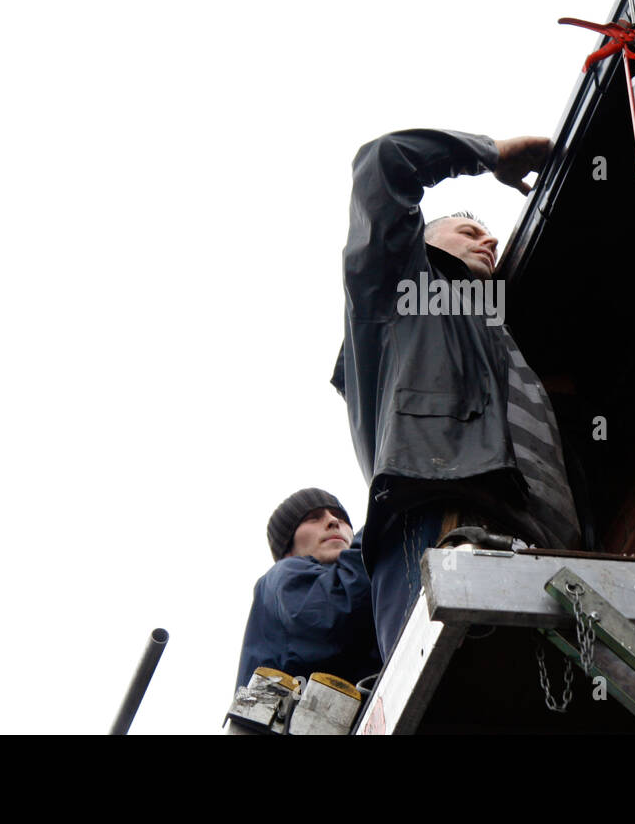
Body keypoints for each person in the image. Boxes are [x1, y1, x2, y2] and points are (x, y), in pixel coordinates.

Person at [330, 129, 582, 660]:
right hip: (444, 520)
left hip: (547, 551)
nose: (489, 242)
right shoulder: (401, 288)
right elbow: (384, 164)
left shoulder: (495, 337)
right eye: (469, 230)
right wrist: (490, 155)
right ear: (421, 240)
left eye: (490, 236)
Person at [235, 488, 382, 688]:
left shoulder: (369, 580)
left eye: (340, 517)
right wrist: (382, 522)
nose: (333, 521)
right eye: (313, 518)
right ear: (287, 549)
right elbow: (334, 617)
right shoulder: (282, 574)